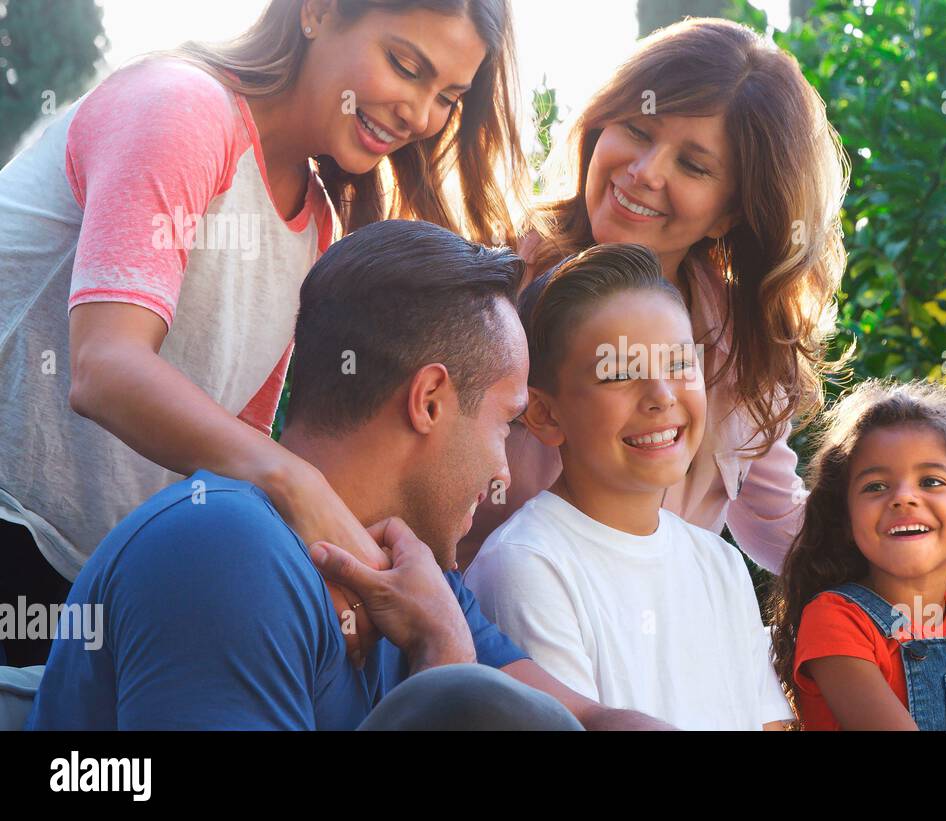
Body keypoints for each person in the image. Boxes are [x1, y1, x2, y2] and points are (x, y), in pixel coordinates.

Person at [0, 0, 527, 667]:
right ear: (317, 12)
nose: (420, 115)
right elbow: (103, 367)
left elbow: (223, 450)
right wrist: (295, 483)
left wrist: (339, 567)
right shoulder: (182, 108)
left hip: (91, 579)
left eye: (446, 96)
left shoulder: (316, 226)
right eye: (404, 65)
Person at [26, 221, 669, 730]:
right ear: (430, 401)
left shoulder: (418, 578)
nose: (505, 467)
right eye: (506, 423)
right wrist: (446, 667)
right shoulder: (223, 551)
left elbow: (584, 723)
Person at [459, 18, 850, 573]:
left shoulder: (738, 347)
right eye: (638, 131)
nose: (644, 172)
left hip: (649, 651)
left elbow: (784, 530)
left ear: (731, 213)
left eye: (693, 165)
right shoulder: (489, 287)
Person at [465, 244, 792, 730]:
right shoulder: (527, 566)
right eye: (620, 373)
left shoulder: (719, 563)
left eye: (680, 364)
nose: (661, 396)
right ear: (545, 414)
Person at [768, 379, 946, 730]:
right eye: (876, 486)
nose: (903, 498)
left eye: (931, 481)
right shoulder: (836, 620)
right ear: (846, 521)